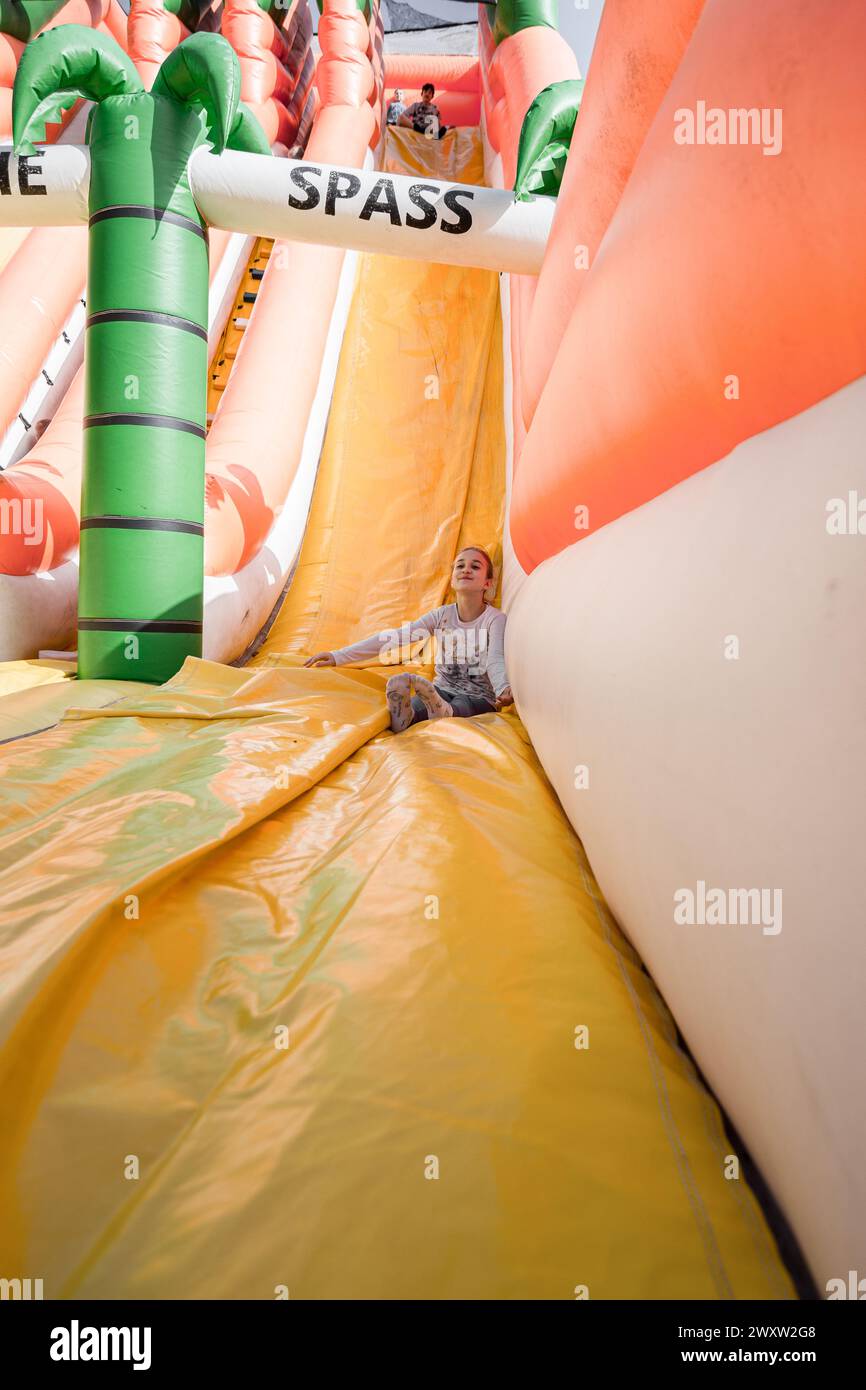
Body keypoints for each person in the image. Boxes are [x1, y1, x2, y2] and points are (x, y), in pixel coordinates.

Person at [305, 546, 514, 732]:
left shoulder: (494, 619)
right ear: (452, 579)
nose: (466, 569)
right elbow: (395, 637)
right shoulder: (442, 615)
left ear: (487, 583)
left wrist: (503, 688)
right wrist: (338, 656)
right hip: (441, 690)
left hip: (478, 697)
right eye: (460, 566)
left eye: (475, 567)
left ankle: (446, 713)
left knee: (462, 704)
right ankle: (407, 718)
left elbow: (495, 658)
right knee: (421, 703)